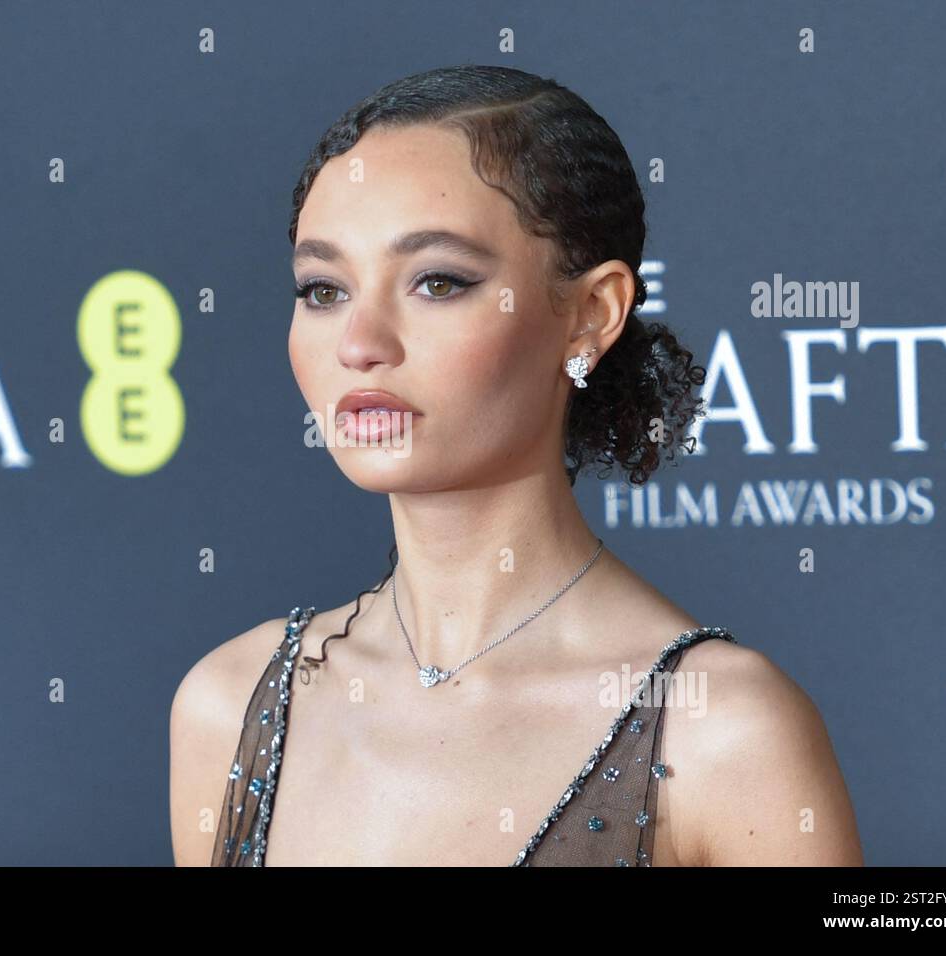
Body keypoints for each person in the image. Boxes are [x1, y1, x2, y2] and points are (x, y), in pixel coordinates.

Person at [170, 64, 863, 867]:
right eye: (323, 289)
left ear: (592, 315)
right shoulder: (230, 705)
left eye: (437, 282)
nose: (359, 344)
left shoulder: (723, 732)